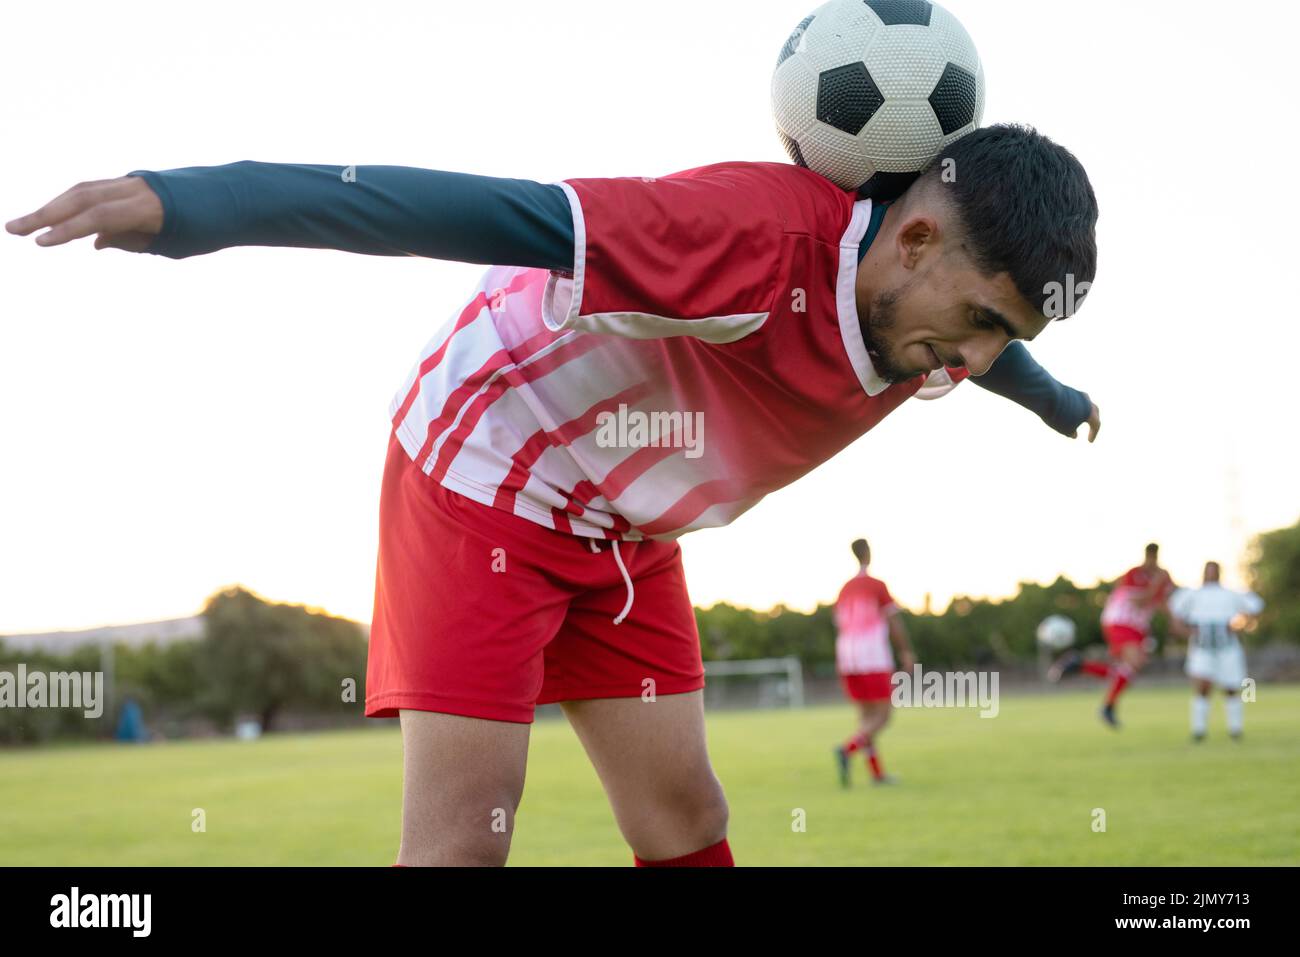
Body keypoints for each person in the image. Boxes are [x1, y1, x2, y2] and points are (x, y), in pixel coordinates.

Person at [7, 123, 1100, 866]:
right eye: (981, 325)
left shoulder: (925, 318)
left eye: (1002, 336)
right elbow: (482, 213)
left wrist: (1049, 393)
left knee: (684, 818)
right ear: (910, 238)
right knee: (466, 840)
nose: (972, 358)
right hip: (484, 474)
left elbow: (985, 342)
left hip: (622, 526)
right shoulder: (744, 237)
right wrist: (202, 202)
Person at [1050, 543, 1174, 728]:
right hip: (1120, 621)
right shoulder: (1135, 574)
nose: (1152, 560)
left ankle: (1081, 668)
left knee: (1127, 670)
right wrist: (1157, 583)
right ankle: (1106, 703)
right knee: (1134, 663)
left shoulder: (1164, 577)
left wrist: (1175, 621)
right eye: (1149, 556)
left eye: (1154, 556)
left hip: (1139, 627)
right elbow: (1140, 601)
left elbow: (1164, 602)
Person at [832, 539, 914, 787]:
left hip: (847, 657)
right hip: (872, 656)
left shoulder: (845, 588)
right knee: (883, 715)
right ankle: (847, 749)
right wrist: (906, 652)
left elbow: (838, 622)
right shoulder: (877, 585)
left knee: (866, 718)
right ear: (868, 553)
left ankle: (877, 773)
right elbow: (894, 621)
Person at [1168, 562, 1263, 741]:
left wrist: (1242, 625)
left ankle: (1235, 729)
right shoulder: (1192, 594)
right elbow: (1174, 612)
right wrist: (1185, 631)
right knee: (1203, 686)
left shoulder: (1231, 593)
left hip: (1227, 646)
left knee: (1232, 687)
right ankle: (1199, 730)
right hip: (1202, 646)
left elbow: (1256, 607)